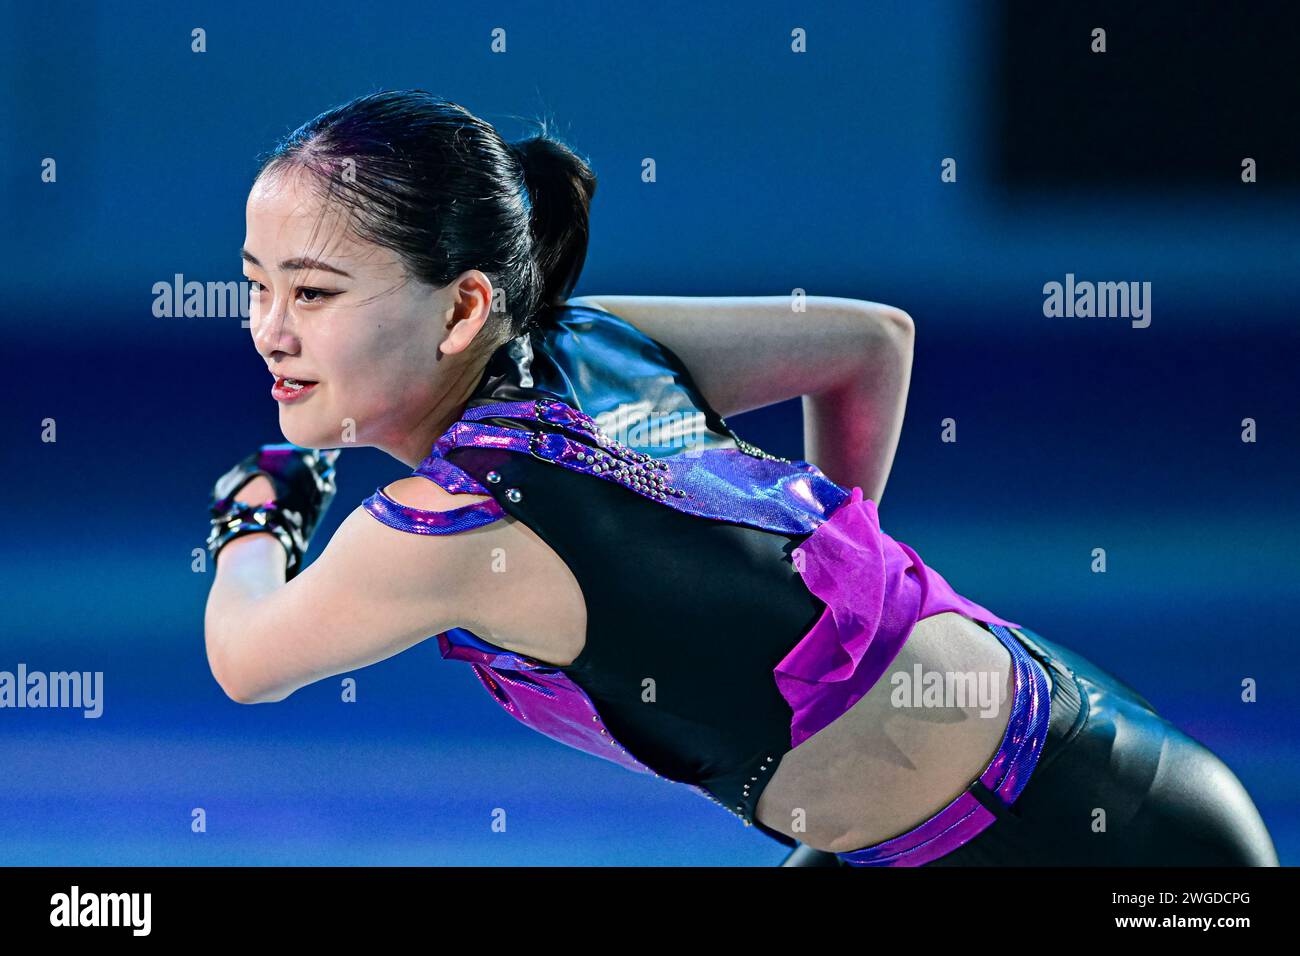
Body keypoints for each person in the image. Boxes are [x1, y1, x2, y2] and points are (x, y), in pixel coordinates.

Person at [203, 89, 1279, 866]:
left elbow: (248, 661)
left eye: (314, 293)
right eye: (256, 286)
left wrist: (256, 515)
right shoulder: (598, 341)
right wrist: (836, 612)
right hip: (999, 793)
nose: (269, 331)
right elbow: (869, 343)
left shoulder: (448, 523)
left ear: (464, 307)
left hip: (1111, 836)